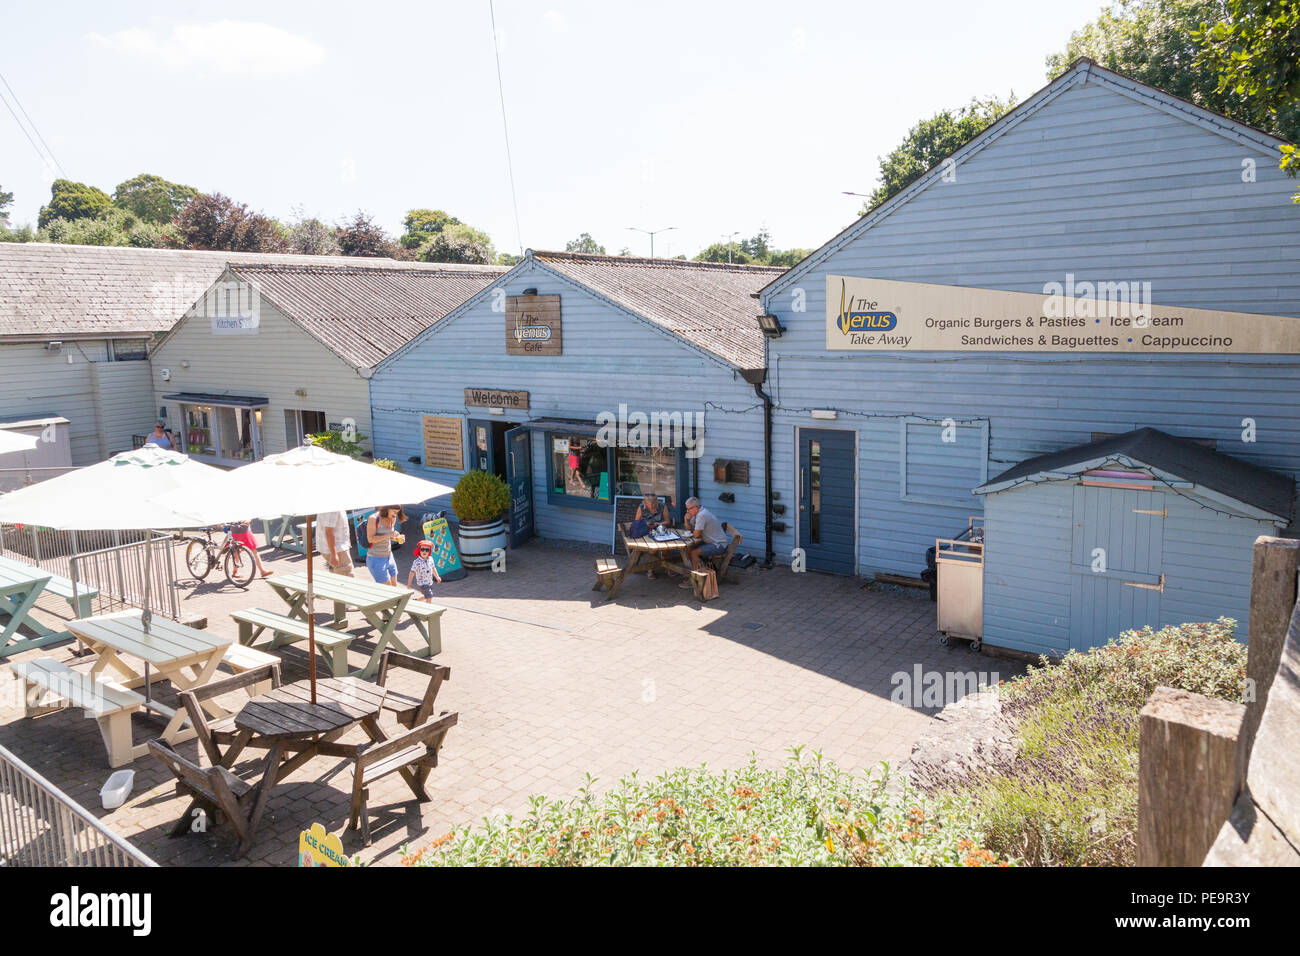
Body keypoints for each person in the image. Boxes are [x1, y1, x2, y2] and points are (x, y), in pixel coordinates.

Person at [679, 496, 731, 588]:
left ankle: (695, 579)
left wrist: (693, 530)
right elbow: (691, 530)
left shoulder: (701, 515)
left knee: (693, 552)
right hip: (711, 542)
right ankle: (699, 571)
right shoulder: (698, 513)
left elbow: (696, 535)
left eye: (688, 509)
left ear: (695, 507)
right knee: (690, 548)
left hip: (718, 545)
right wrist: (686, 520)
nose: (687, 512)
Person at [365, 505, 405, 586]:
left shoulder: (393, 518)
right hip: (376, 558)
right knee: (387, 589)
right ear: (387, 508)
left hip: (389, 556)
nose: (395, 514)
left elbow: (388, 536)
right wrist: (389, 535)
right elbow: (371, 539)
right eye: (394, 512)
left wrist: (397, 538)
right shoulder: (373, 518)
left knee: (394, 586)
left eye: (397, 512)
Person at [634, 491, 670, 579]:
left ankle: (669, 568)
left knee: (667, 548)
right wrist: (645, 524)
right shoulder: (641, 507)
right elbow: (636, 522)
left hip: (660, 530)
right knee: (653, 549)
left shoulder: (662, 506)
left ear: (656, 502)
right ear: (645, 503)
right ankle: (650, 570)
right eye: (649, 504)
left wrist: (658, 524)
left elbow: (667, 521)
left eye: (653, 504)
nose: (651, 506)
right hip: (646, 532)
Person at [316, 511, 354, 577]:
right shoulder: (333, 507)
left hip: (335, 548)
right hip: (338, 550)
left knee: (336, 577)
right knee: (347, 579)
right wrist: (334, 554)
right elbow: (328, 531)